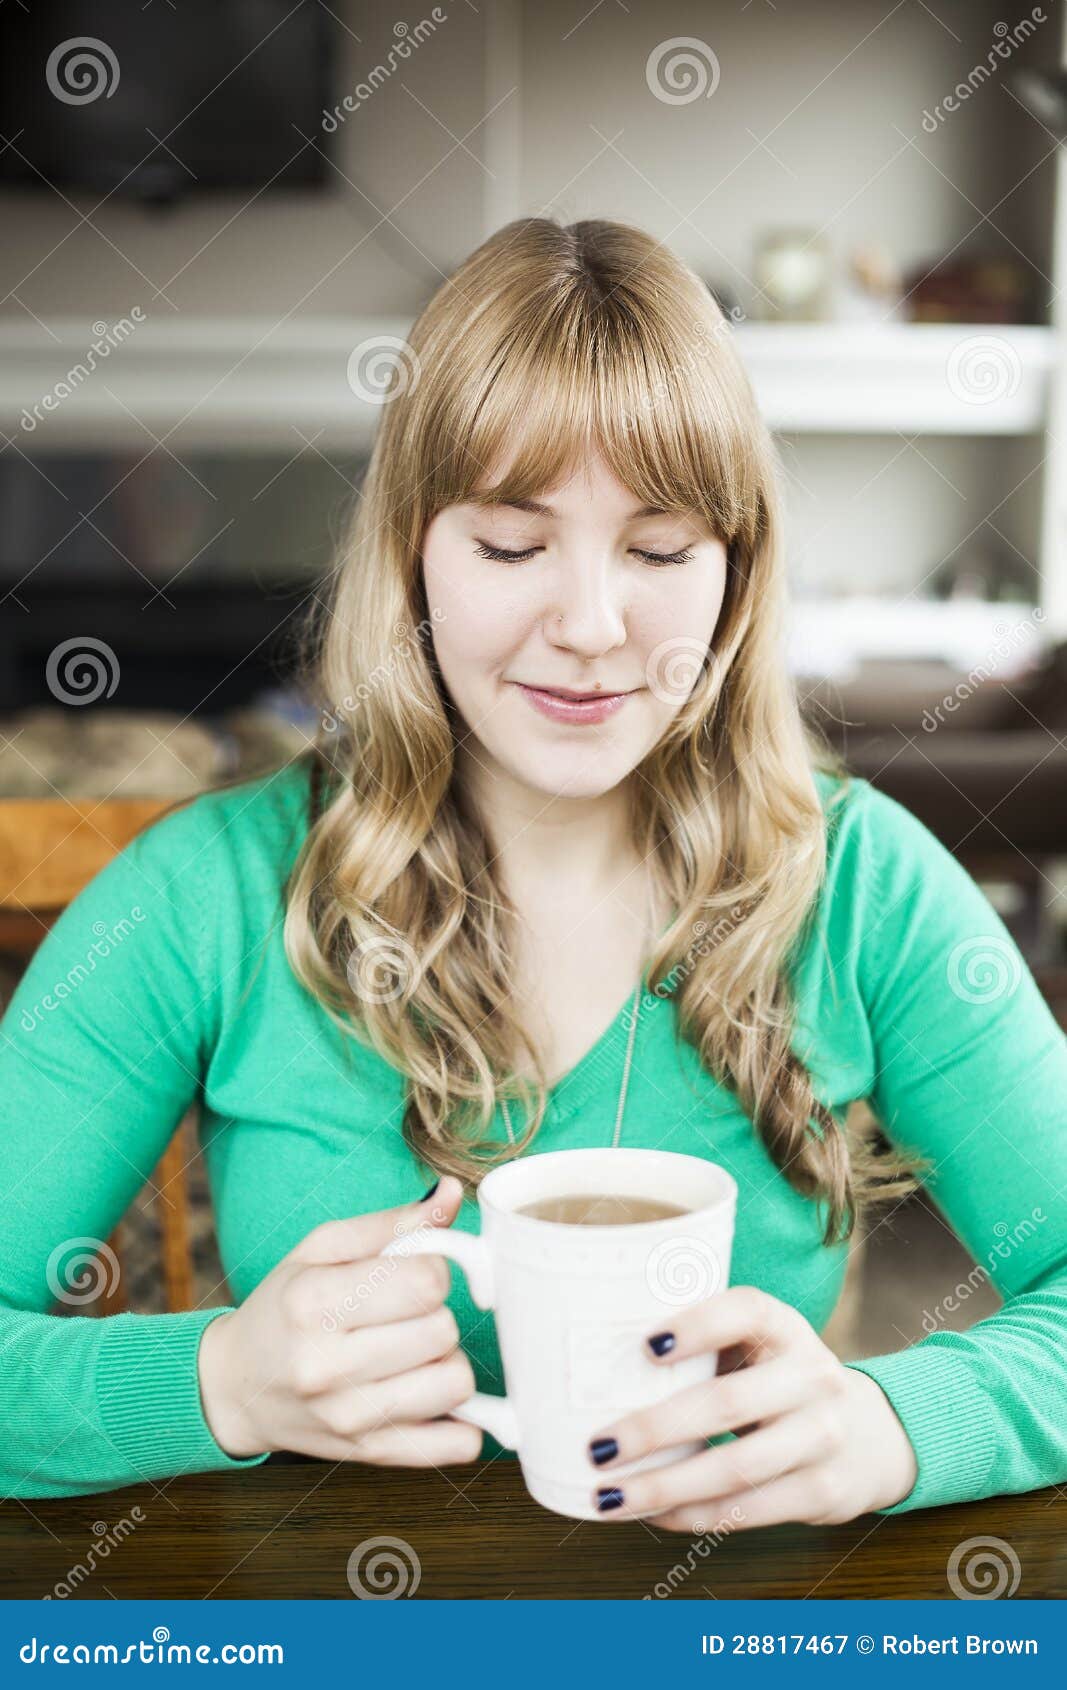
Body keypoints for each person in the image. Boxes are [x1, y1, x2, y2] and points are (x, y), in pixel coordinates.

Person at [2, 217, 1065, 1530]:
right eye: (512, 545)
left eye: (661, 549)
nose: (591, 628)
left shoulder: (864, 887)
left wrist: (897, 1423)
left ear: (735, 580)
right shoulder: (203, 894)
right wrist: (218, 1379)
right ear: (413, 560)